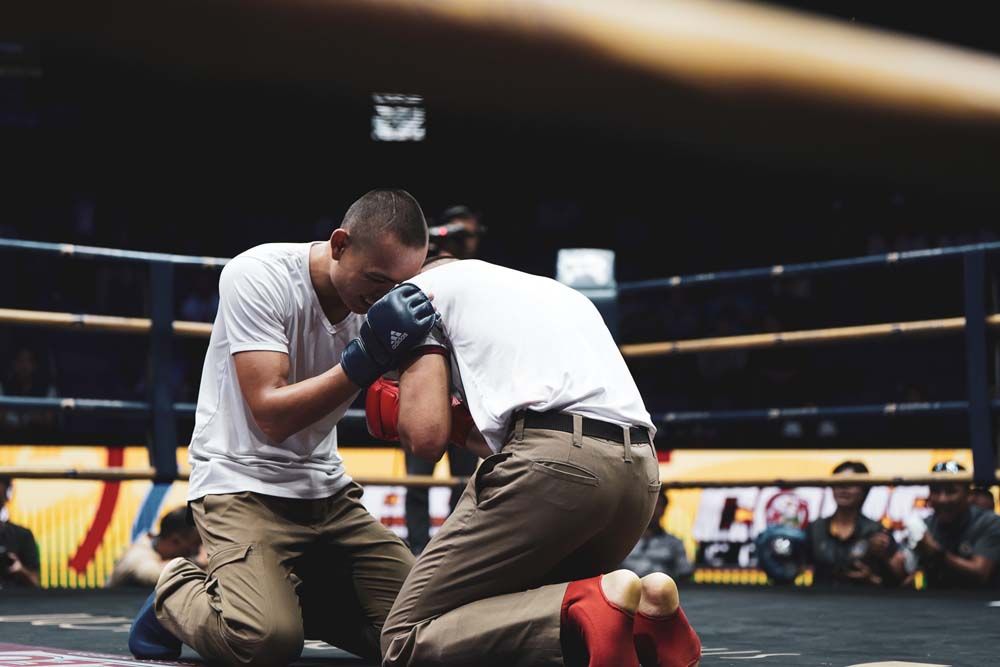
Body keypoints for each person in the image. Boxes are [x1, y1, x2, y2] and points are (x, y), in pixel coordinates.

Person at [128, 189, 437, 665]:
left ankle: (286, 597)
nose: (383, 298)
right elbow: (270, 415)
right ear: (339, 245)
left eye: (398, 286)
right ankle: (175, 592)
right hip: (240, 483)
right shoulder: (260, 275)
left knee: (423, 636)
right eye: (376, 279)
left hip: (325, 490)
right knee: (264, 643)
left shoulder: (386, 303)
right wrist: (366, 359)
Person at [368, 256, 701, 667]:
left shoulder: (420, 295)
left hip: (557, 470)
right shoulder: (557, 296)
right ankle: (649, 612)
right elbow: (519, 435)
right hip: (639, 477)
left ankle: (594, 601)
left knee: (404, 639)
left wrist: (409, 404)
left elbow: (425, 438)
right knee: (519, 611)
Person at [403, 206, 484, 554]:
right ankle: (418, 551)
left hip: (466, 394)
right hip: (424, 388)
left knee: (465, 482)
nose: (462, 241)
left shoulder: (483, 278)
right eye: (456, 234)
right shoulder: (422, 273)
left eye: (467, 234)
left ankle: (454, 550)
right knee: (417, 477)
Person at [804, 461, 906, 587]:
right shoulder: (815, 529)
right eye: (838, 483)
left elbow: (900, 581)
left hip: (863, 602)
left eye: (851, 483)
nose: (843, 488)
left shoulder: (877, 531)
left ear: (864, 489)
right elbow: (798, 571)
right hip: (819, 602)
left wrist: (872, 578)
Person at [912, 461, 1000, 589]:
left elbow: (981, 573)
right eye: (936, 491)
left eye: (950, 491)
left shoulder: (989, 523)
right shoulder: (925, 525)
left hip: (979, 603)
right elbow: (909, 573)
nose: (942, 499)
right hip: (933, 603)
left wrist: (937, 554)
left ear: (968, 495)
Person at [107, 507, 204, 588]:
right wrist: (199, 562)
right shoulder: (137, 556)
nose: (198, 549)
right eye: (196, 543)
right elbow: (155, 575)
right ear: (175, 540)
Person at [621, 488, 694, 580]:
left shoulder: (674, 543)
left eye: (658, 505)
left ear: (664, 509)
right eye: (649, 504)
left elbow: (685, 571)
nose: (653, 509)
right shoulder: (623, 541)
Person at [0, 476, 40, 588]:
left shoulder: (22, 535)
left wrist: (20, 570)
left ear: (8, 491)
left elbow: (35, 582)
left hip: (14, 601)